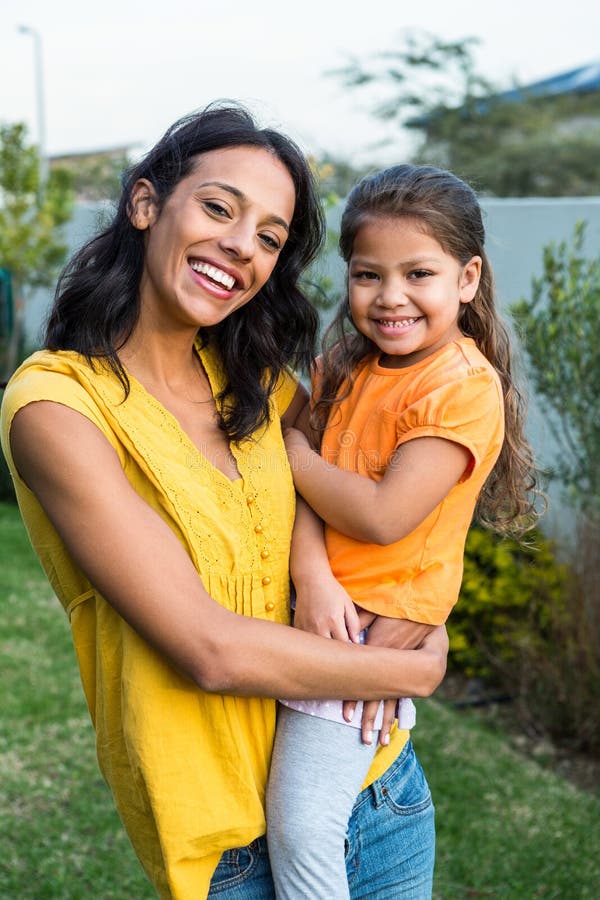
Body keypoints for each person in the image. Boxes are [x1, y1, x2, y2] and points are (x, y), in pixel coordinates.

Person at [0, 105, 449, 899]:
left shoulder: (266, 385)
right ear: (146, 205)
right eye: (218, 207)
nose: (243, 246)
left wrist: (318, 574)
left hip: (375, 790)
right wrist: (410, 670)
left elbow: (370, 505)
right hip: (228, 844)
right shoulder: (57, 408)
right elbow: (209, 650)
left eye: (271, 237)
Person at [266, 163, 543, 899]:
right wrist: (313, 574)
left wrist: (293, 453)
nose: (390, 298)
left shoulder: (458, 387)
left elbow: (383, 515)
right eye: (367, 275)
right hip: (326, 612)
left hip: (370, 635)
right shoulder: (345, 369)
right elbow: (300, 499)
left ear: (467, 276)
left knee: (300, 828)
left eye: (418, 272)